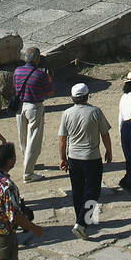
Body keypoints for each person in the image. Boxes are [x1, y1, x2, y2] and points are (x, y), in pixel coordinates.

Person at [57, 83, 112, 240]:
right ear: (87, 96)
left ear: (73, 98)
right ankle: (82, 223)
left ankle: (82, 220)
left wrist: (62, 157)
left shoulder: (67, 113)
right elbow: (105, 134)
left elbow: (62, 139)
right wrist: (109, 150)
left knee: (78, 190)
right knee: (92, 190)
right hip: (92, 157)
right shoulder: (95, 112)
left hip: (74, 157)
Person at [10, 47, 52, 181]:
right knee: (33, 140)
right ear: (37, 58)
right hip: (34, 107)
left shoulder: (17, 71)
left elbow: (15, 87)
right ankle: (28, 173)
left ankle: (28, 163)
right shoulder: (40, 75)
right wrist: (49, 78)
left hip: (20, 107)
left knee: (23, 138)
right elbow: (50, 92)